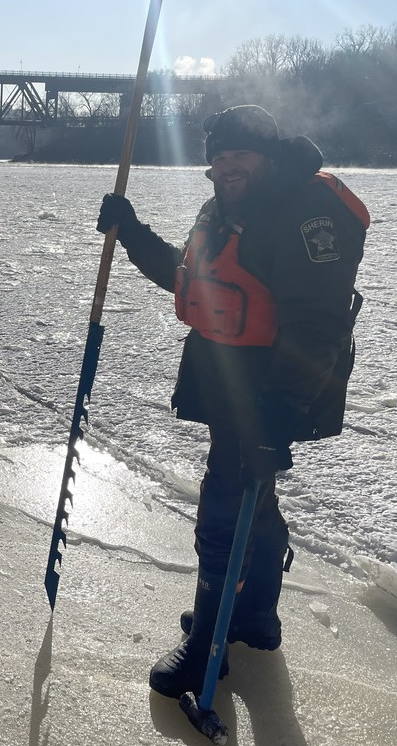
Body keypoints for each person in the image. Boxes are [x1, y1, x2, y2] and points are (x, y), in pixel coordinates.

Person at [96, 104, 369, 698]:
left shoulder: (304, 214)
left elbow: (318, 325)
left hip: (270, 389)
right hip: (229, 381)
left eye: (238, 155)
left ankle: (207, 650)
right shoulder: (226, 209)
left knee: (224, 506)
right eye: (218, 157)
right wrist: (134, 233)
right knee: (252, 496)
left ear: (267, 156)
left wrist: (277, 413)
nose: (225, 166)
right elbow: (191, 278)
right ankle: (253, 618)